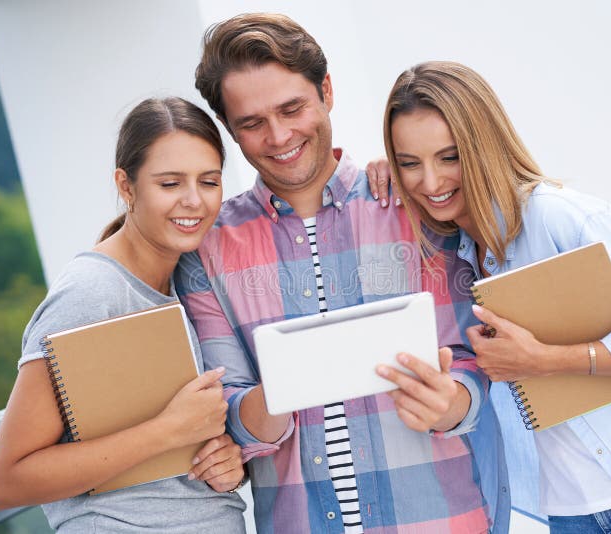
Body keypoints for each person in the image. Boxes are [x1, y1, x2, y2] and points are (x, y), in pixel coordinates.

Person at [176, 13, 510, 534]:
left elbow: (471, 354)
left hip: (441, 520)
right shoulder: (208, 250)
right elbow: (230, 413)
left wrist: (452, 401)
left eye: (292, 108)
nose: (279, 135)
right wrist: (292, 378)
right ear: (230, 128)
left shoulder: (413, 204)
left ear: (326, 90)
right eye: (251, 123)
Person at [383, 60, 611, 533]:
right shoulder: (454, 256)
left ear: (482, 145)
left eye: (449, 157)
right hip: (567, 513)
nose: (429, 183)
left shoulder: (561, 218)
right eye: (410, 163)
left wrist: (546, 359)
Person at [0, 97, 247, 533]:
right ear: (126, 187)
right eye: (169, 184)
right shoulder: (92, 294)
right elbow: (7, 481)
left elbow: (177, 458)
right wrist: (169, 430)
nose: (194, 201)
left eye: (209, 181)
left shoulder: (192, 279)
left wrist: (227, 458)